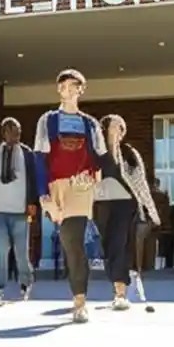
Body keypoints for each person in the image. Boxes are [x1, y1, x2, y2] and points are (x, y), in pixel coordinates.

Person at [33, 69, 107, 324]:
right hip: (57, 187)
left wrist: (94, 176)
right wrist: (43, 196)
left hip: (80, 187)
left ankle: (80, 301)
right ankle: (78, 292)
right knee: (67, 240)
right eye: (63, 85)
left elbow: (100, 158)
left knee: (73, 241)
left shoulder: (91, 124)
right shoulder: (48, 120)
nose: (68, 89)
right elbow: (40, 159)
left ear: (81, 89)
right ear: (58, 90)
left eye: (74, 85)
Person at [94, 114, 161, 310]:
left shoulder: (129, 153)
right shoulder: (98, 154)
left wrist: (152, 212)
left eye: (119, 128)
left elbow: (141, 185)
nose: (116, 132)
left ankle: (120, 292)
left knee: (120, 246)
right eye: (112, 128)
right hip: (103, 206)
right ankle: (118, 287)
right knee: (110, 248)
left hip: (127, 205)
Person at [0, 117, 39, 305]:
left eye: (17, 130)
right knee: (1, 248)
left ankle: (25, 283)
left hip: (20, 211)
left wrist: (32, 202)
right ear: (3, 133)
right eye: (10, 130)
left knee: (21, 251)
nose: (14, 134)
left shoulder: (28, 154)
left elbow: (33, 180)